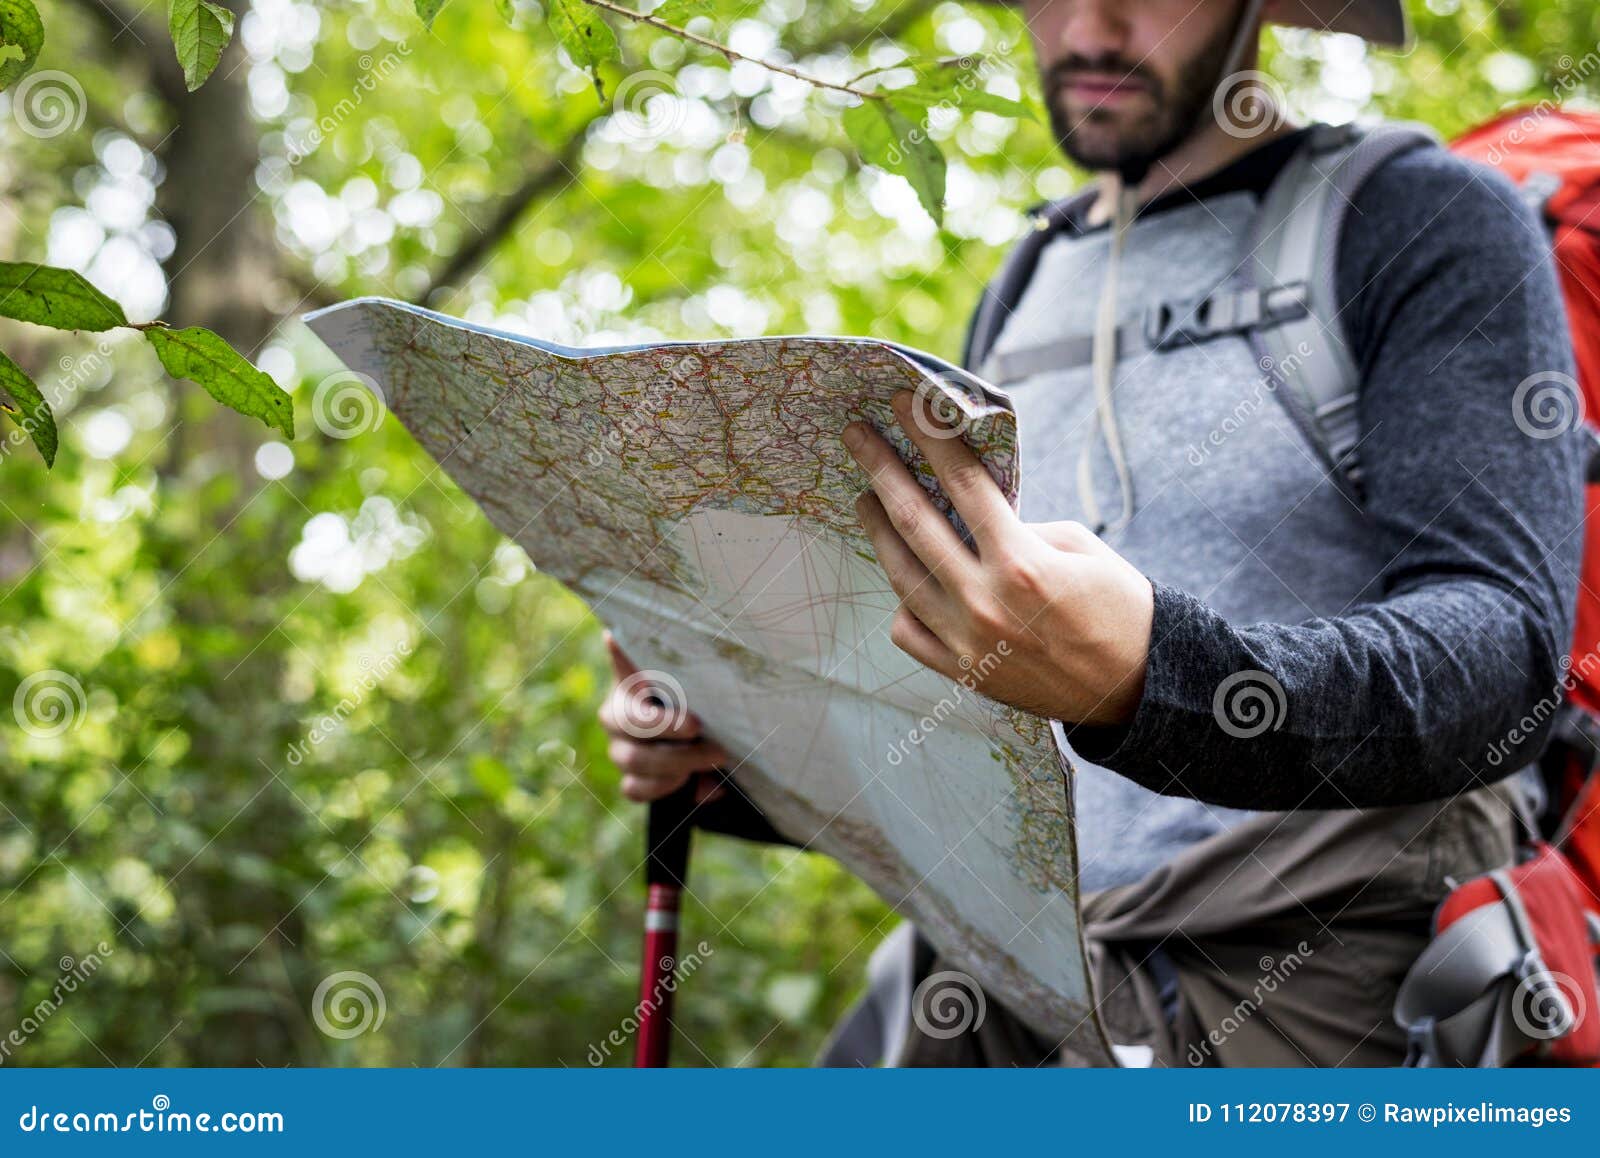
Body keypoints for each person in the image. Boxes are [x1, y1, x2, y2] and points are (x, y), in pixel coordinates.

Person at [600, 0, 1586, 1065]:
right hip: (1018, 990)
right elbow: (983, 715)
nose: (1093, 25)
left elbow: (1503, 649)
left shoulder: (1420, 221)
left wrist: (1157, 676)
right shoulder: (1026, 286)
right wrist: (746, 758)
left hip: (1329, 993)